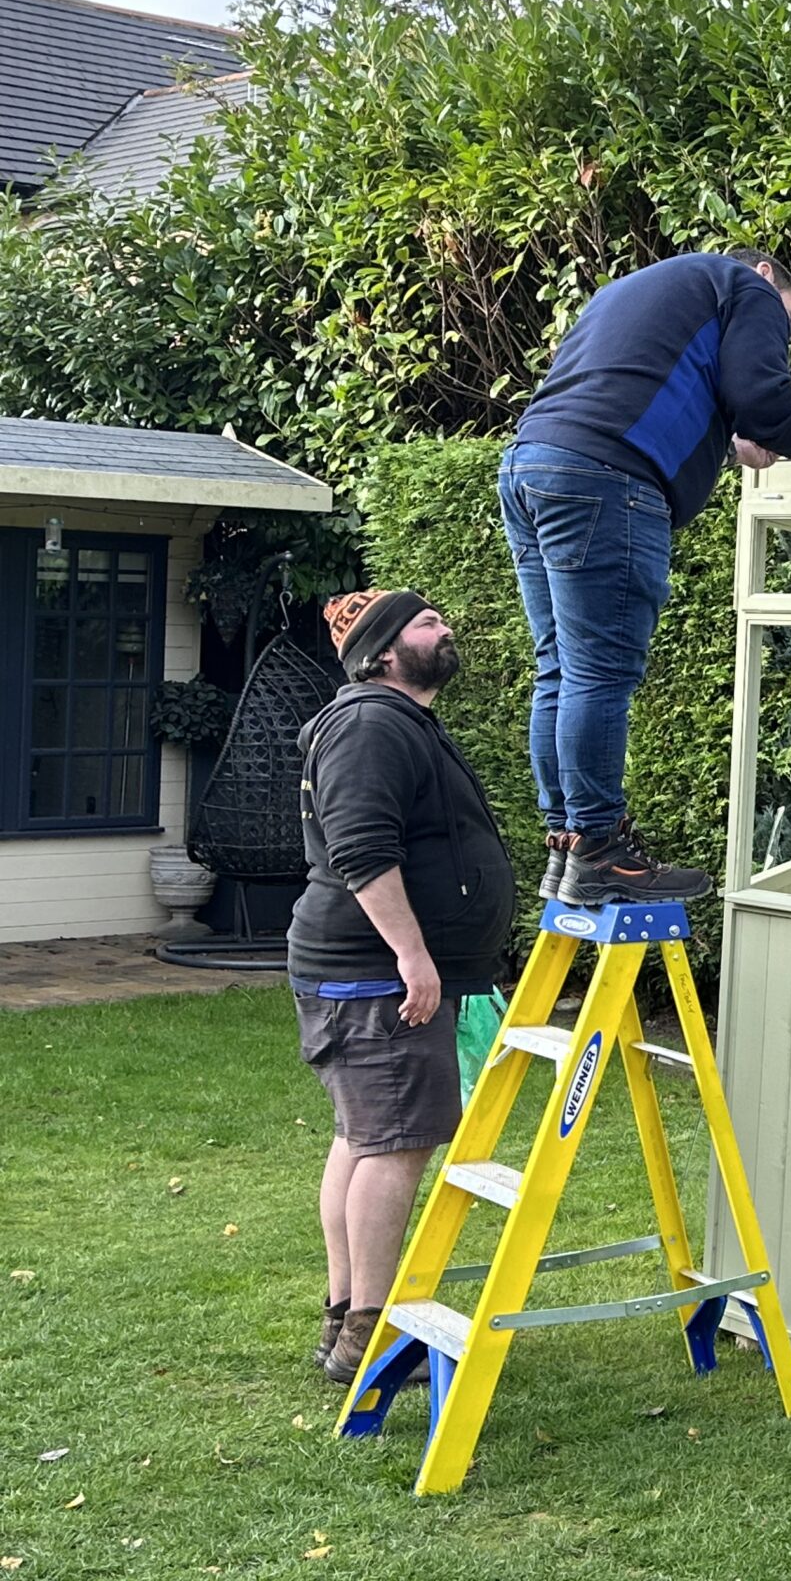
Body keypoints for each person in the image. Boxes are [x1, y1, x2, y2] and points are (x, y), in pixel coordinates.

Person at [505, 249, 791, 904]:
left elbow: (653, 387)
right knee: (599, 672)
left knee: (559, 666)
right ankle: (604, 850)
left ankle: (569, 843)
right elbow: (764, 398)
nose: (782, 332)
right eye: (788, 322)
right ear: (766, 277)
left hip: (532, 465)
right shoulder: (745, 287)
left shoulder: (635, 289)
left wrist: (731, 433)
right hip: (605, 480)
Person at [290, 588, 516, 1383]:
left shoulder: (392, 721)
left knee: (363, 1139)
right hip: (373, 976)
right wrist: (413, 958)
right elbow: (360, 851)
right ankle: (371, 1336)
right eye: (427, 622)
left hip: (366, 973)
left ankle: (345, 1322)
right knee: (394, 1147)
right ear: (384, 652)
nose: (445, 626)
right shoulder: (369, 724)